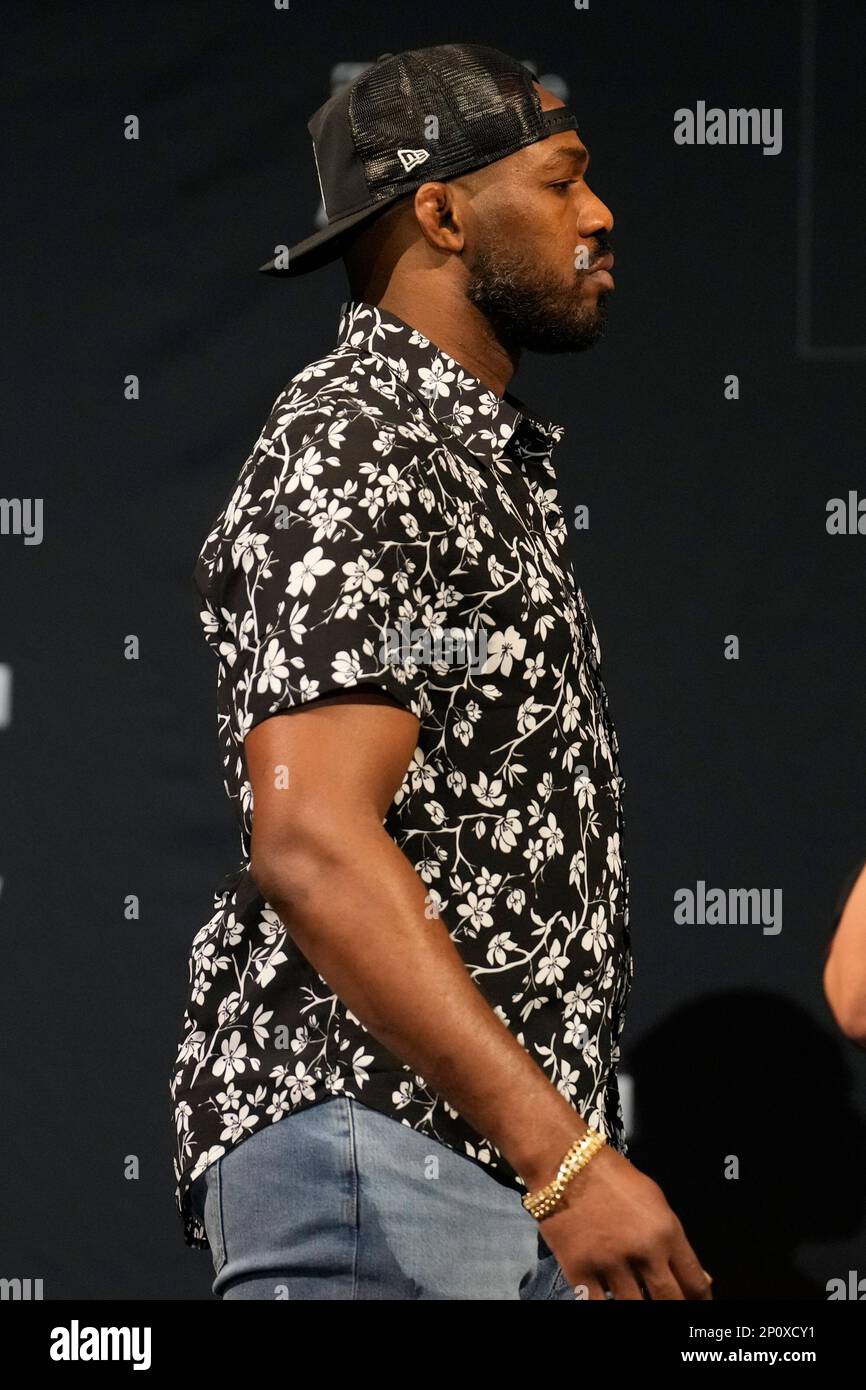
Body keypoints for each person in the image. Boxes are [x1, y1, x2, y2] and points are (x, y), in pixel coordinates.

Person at [170, 41, 712, 1301]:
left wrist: (551, 1162)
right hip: (375, 1156)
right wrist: (567, 1162)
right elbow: (309, 840)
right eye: (564, 181)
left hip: (472, 1169)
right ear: (443, 211)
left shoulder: (463, 458)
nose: (600, 213)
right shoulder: (354, 441)